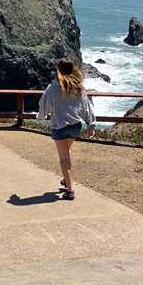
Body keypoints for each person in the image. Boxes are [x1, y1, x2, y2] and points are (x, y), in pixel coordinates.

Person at [36, 58, 96, 201]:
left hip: (60, 126)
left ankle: (70, 191)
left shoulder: (54, 87)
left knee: (63, 157)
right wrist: (91, 125)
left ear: (58, 69)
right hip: (75, 127)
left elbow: (44, 104)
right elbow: (87, 107)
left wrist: (40, 117)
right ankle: (66, 178)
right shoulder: (79, 87)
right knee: (67, 151)